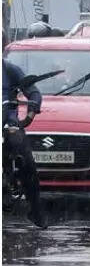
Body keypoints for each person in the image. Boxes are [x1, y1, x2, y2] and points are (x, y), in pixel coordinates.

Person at [2, 58, 47, 227]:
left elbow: (33, 92)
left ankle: (35, 211)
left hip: (8, 125)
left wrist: (31, 112)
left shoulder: (9, 69)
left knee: (27, 161)